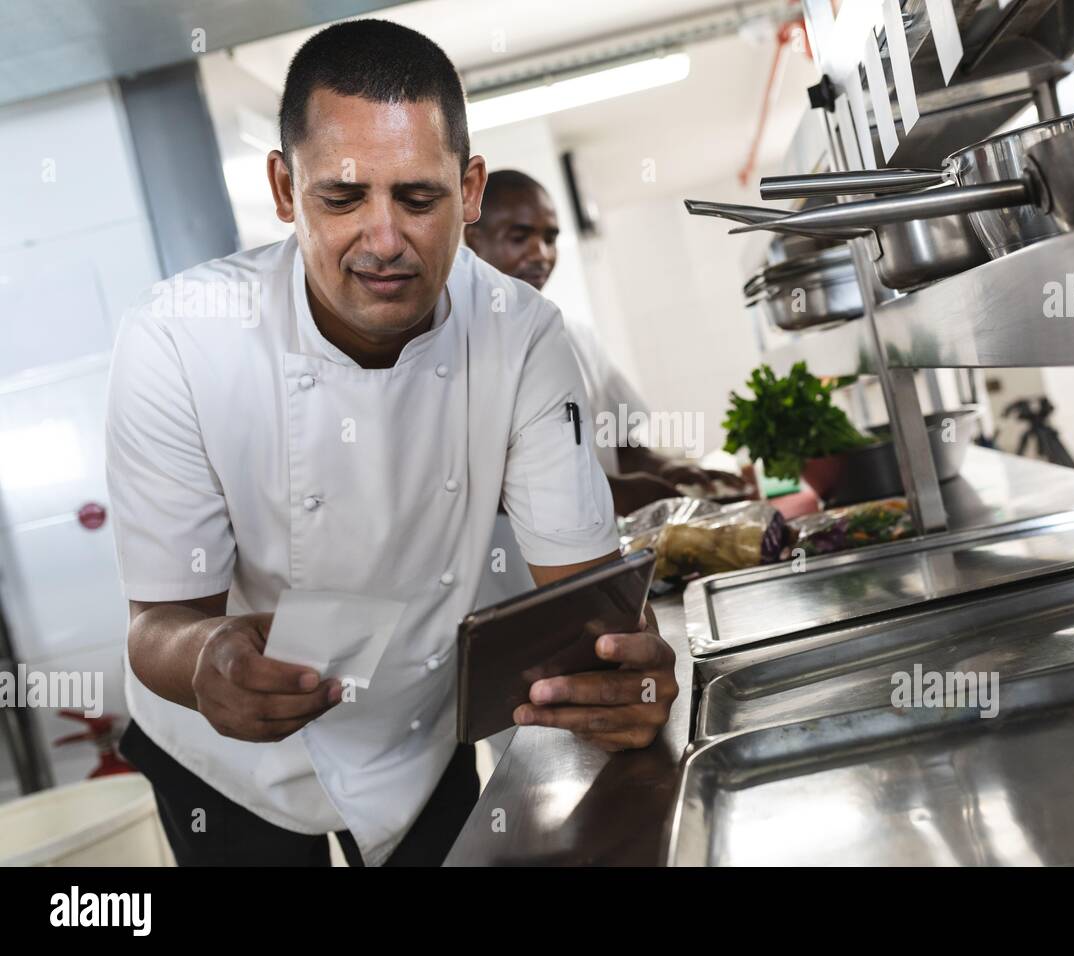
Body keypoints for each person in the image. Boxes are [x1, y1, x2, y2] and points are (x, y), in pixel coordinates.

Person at [104, 19, 677, 867]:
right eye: (341, 198)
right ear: (282, 186)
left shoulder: (520, 337)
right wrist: (202, 660)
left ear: (470, 187)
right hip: (222, 759)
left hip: (421, 725)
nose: (383, 241)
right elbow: (158, 622)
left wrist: (624, 668)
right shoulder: (180, 338)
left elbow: (584, 601)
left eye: (418, 198)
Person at [463, 169, 747, 515]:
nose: (541, 254)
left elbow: (621, 448)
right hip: (514, 562)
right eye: (520, 237)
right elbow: (487, 483)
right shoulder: (459, 349)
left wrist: (666, 470)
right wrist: (621, 493)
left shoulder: (576, 337)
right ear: (475, 240)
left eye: (550, 239)